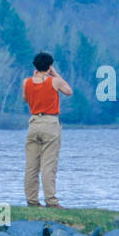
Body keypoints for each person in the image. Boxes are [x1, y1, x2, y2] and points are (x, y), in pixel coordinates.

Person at [22, 52, 72, 208]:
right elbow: (69, 91)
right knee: (48, 165)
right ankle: (51, 201)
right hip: (50, 123)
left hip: (34, 123)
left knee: (31, 166)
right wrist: (55, 74)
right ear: (49, 66)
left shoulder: (26, 82)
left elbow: (25, 99)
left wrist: (33, 79)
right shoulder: (54, 81)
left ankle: (32, 200)